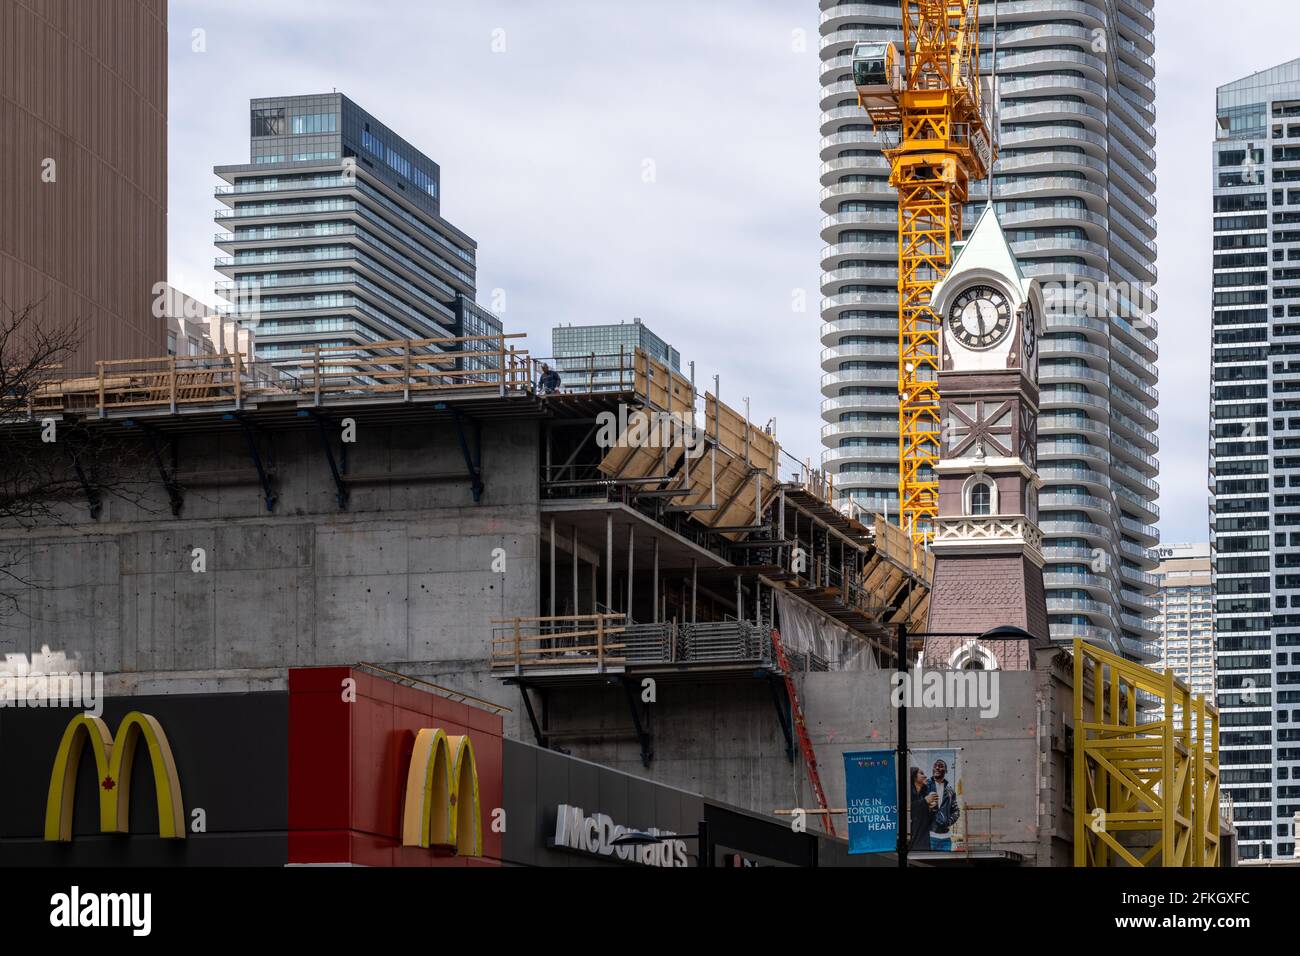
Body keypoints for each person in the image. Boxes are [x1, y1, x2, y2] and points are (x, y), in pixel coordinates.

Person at [924, 758, 960, 851]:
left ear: (946, 770)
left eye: (940, 766)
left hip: (946, 839)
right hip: (929, 836)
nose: (937, 768)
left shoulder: (950, 791)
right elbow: (918, 807)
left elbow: (956, 811)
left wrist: (948, 821)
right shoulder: (926, 787)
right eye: (935, 766)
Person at [908, 767, 931, 852]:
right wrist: (925, 801)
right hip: (912, 833)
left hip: (923, 834)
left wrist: (931, 807)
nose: (925, 776)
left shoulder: (925, 790)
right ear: (914, 776)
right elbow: (908, 807)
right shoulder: (908, 790)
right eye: (921, 773)